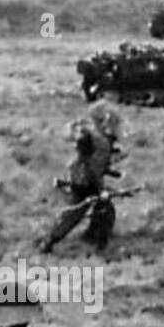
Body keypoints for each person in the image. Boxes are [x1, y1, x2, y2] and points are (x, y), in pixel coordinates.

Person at [39, 103, 125, 253]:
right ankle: (49, 241)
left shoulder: (98, 140)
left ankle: (94, 238)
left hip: (84, 178)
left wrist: (109, 172)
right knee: (76, 213)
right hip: (84, 181)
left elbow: (94, 162)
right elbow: (91, 165)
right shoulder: (99, 141)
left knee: (104, 210)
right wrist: (99, 188)